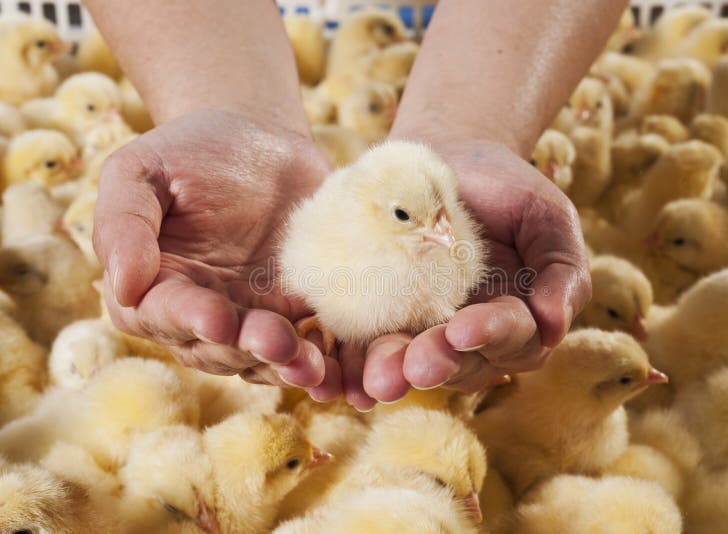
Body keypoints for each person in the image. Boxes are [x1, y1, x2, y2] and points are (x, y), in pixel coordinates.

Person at [83, 0, 625, 411]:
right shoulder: (346, 235)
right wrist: (229, 108)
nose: (445, 230)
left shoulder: (425, 221)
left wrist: (468, 129)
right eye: (413, 218)